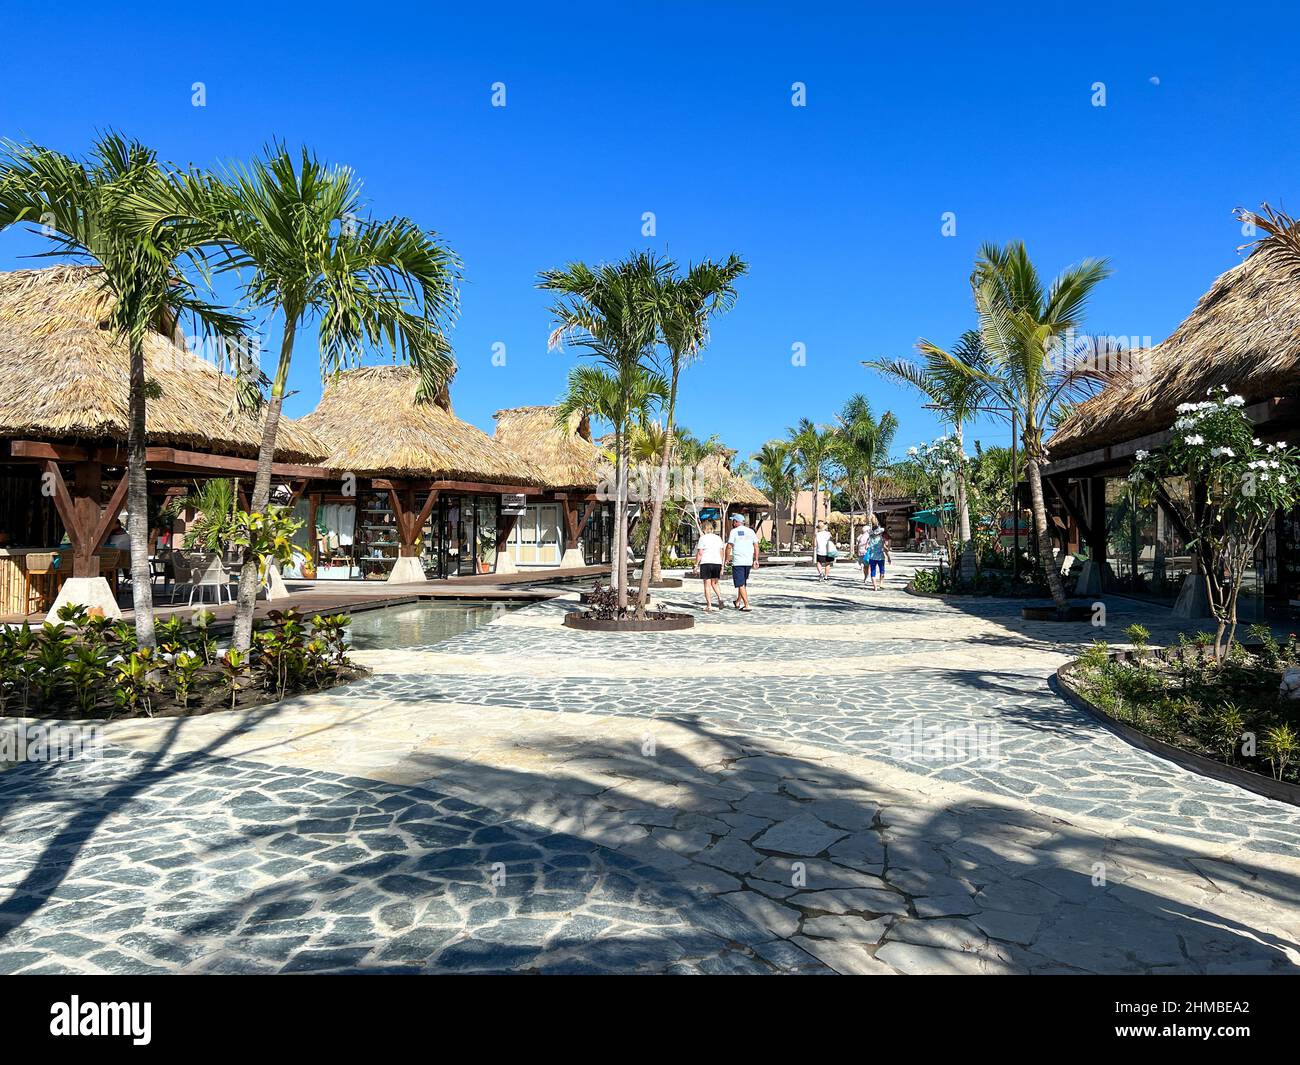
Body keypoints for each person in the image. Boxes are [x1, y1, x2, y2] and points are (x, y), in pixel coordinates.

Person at [725, 512, 759, 611]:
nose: (732, 523)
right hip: (748, 561)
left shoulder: (734, 531)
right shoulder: (751, 531)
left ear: (736, 522)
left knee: (740, 584)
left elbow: (729, 546)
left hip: (738, 561)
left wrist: (727, 558)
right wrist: (756, 559)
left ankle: (747, 604)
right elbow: (756, 545)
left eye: (733, 521)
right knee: (743, 582)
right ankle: (738, 601)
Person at [694, 520, 726, 612]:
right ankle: (720, 597)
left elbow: (700, 553)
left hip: (706, 562)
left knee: (707, 585)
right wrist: (722, 565)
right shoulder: (718, 538)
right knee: (715, 583)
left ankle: (709, 605)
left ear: (704, 529)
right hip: (717, 562)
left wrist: (696, 565)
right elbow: (721, 552)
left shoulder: (703, 538)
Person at [861, 516, 891, 591]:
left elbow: (866, 547)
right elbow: (885, 548)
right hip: (880, 557)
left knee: (873, 572)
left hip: (872, 557)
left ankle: (875, 587)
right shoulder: (881, 539)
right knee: (882, 571)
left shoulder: (870, 538)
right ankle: (881, 584)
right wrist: (888, 557)